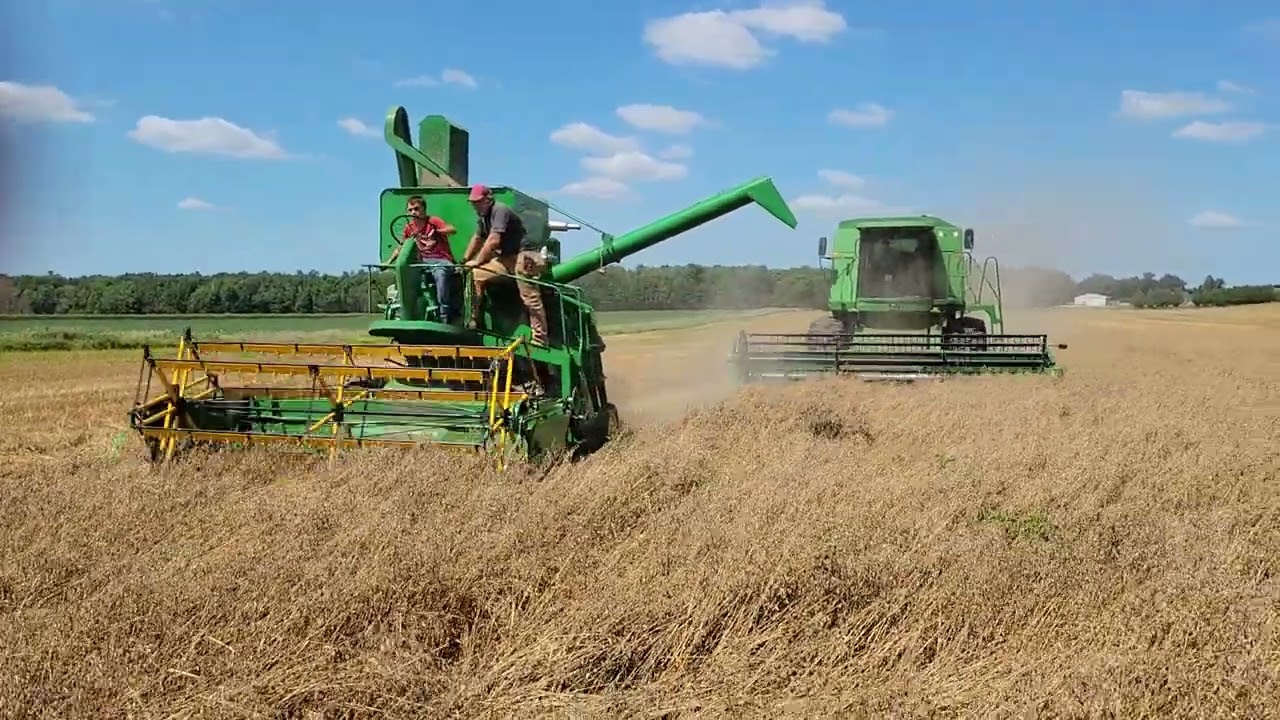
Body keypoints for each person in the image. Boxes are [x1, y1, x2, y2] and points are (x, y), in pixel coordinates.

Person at [461, 184, 549, 345]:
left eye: (478, 202)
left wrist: (478, 261)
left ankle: (540, 338)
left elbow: (493, 240)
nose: (475, 205)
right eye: (473, 202)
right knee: (476, 274)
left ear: (488, 199)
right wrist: (464, 260)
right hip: (507, 258)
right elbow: (477, 238)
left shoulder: (500, 210)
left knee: (530, 298)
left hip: (524, 255)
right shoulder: (483, 217)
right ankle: (475, 320)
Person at [388, 195, 460, 324]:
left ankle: (444, 314)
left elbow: (452, 230)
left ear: (424, 209)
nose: (413, 212)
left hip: (441, 260)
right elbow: (401, 248)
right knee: (404, 274)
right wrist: (388, 263)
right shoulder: (409, 228)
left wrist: (438, 231)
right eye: (410, 210)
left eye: (416, 209)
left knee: (441, 274)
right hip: (422, 262)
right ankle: (402, 311)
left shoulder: (433, 221)